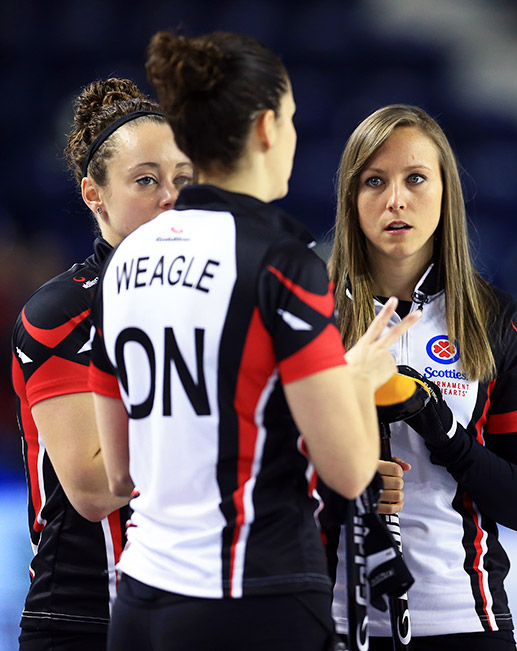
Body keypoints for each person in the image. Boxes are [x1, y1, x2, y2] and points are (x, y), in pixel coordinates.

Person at [87, 31, 418, 651]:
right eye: (290, 119)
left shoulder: (124, 263)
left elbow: (120, 473)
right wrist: (357, 376)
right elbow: (347, 472)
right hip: (251, 600)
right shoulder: (281, 261)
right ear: (267, 127)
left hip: (139, 603)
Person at [326, 104, 517, 650]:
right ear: (351, 200)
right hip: (335, 624)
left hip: (464, 622)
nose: (396, 200)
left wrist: (435, 421)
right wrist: (339, 478)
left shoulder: (490, 316)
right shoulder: (310, 315)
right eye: (374, 182)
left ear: (445, 192)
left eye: (415, 179)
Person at [11, 78, 193, 651]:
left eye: (182, 179)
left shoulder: (218, 300)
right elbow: (93, 486)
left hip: (198, 612)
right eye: (146, 181)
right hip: (86, 620)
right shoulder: (63, 312)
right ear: (95, 196)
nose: (170, 197)